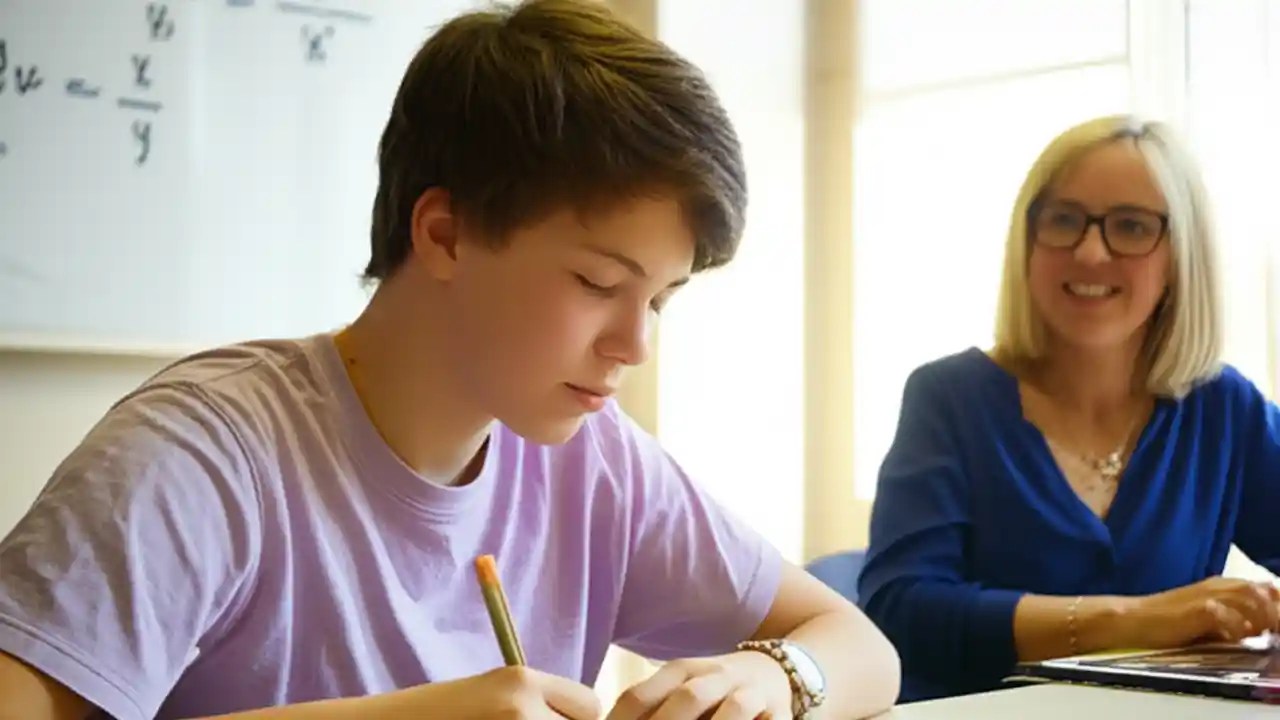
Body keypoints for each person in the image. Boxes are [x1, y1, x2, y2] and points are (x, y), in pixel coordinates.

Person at [0, 2, 900, 719]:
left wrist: (781, 679)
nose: (634, 346)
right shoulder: (204, 453)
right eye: (597, 281)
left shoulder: (596, 458)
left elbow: (860, 645)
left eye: (659, 300)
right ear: (445, 233)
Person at [856, 114, 1280, 703]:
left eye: (1130, 227)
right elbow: (900, 609)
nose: (1089, 250)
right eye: (1063, 220)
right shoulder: (948, 397)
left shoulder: (1224, 407)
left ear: (1180, 258)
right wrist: (1136, 620)